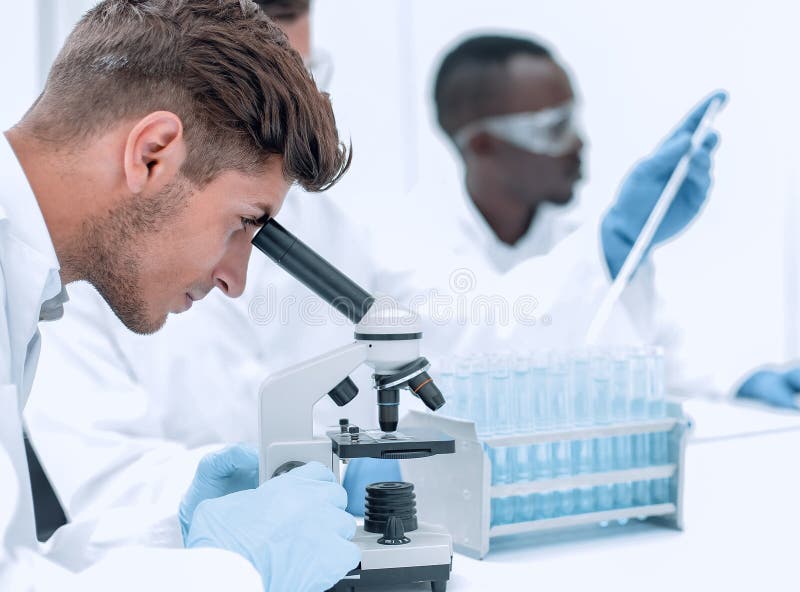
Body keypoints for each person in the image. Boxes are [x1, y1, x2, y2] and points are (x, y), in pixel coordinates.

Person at [26, 22, 722, 550]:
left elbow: (469, 326)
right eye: (259, 94)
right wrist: (261, 506)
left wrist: (614, 248)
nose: (238, 280)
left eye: (303, 73)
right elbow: (100, 498)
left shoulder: (342, 224)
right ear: (154, 151)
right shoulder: (58, 275)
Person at [0, 1, 361, 590]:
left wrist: (182, 533)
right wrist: (238, 567)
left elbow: (16, 566)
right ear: (152, 155)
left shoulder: (20, 282)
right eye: (243, 222)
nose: (234, 280)